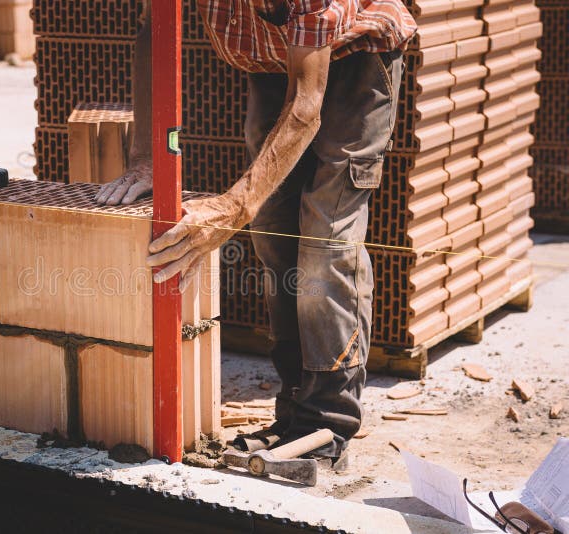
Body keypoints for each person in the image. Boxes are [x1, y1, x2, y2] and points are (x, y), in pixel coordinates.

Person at [95, 0, 417, 468]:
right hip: (272, 63)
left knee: (325, 243)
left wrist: (232, 206)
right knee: (271, 234)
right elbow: (153, 32)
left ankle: (327, 421)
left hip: (359, 62)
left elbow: (306, 108)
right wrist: (146, 155)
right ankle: (293, 409)